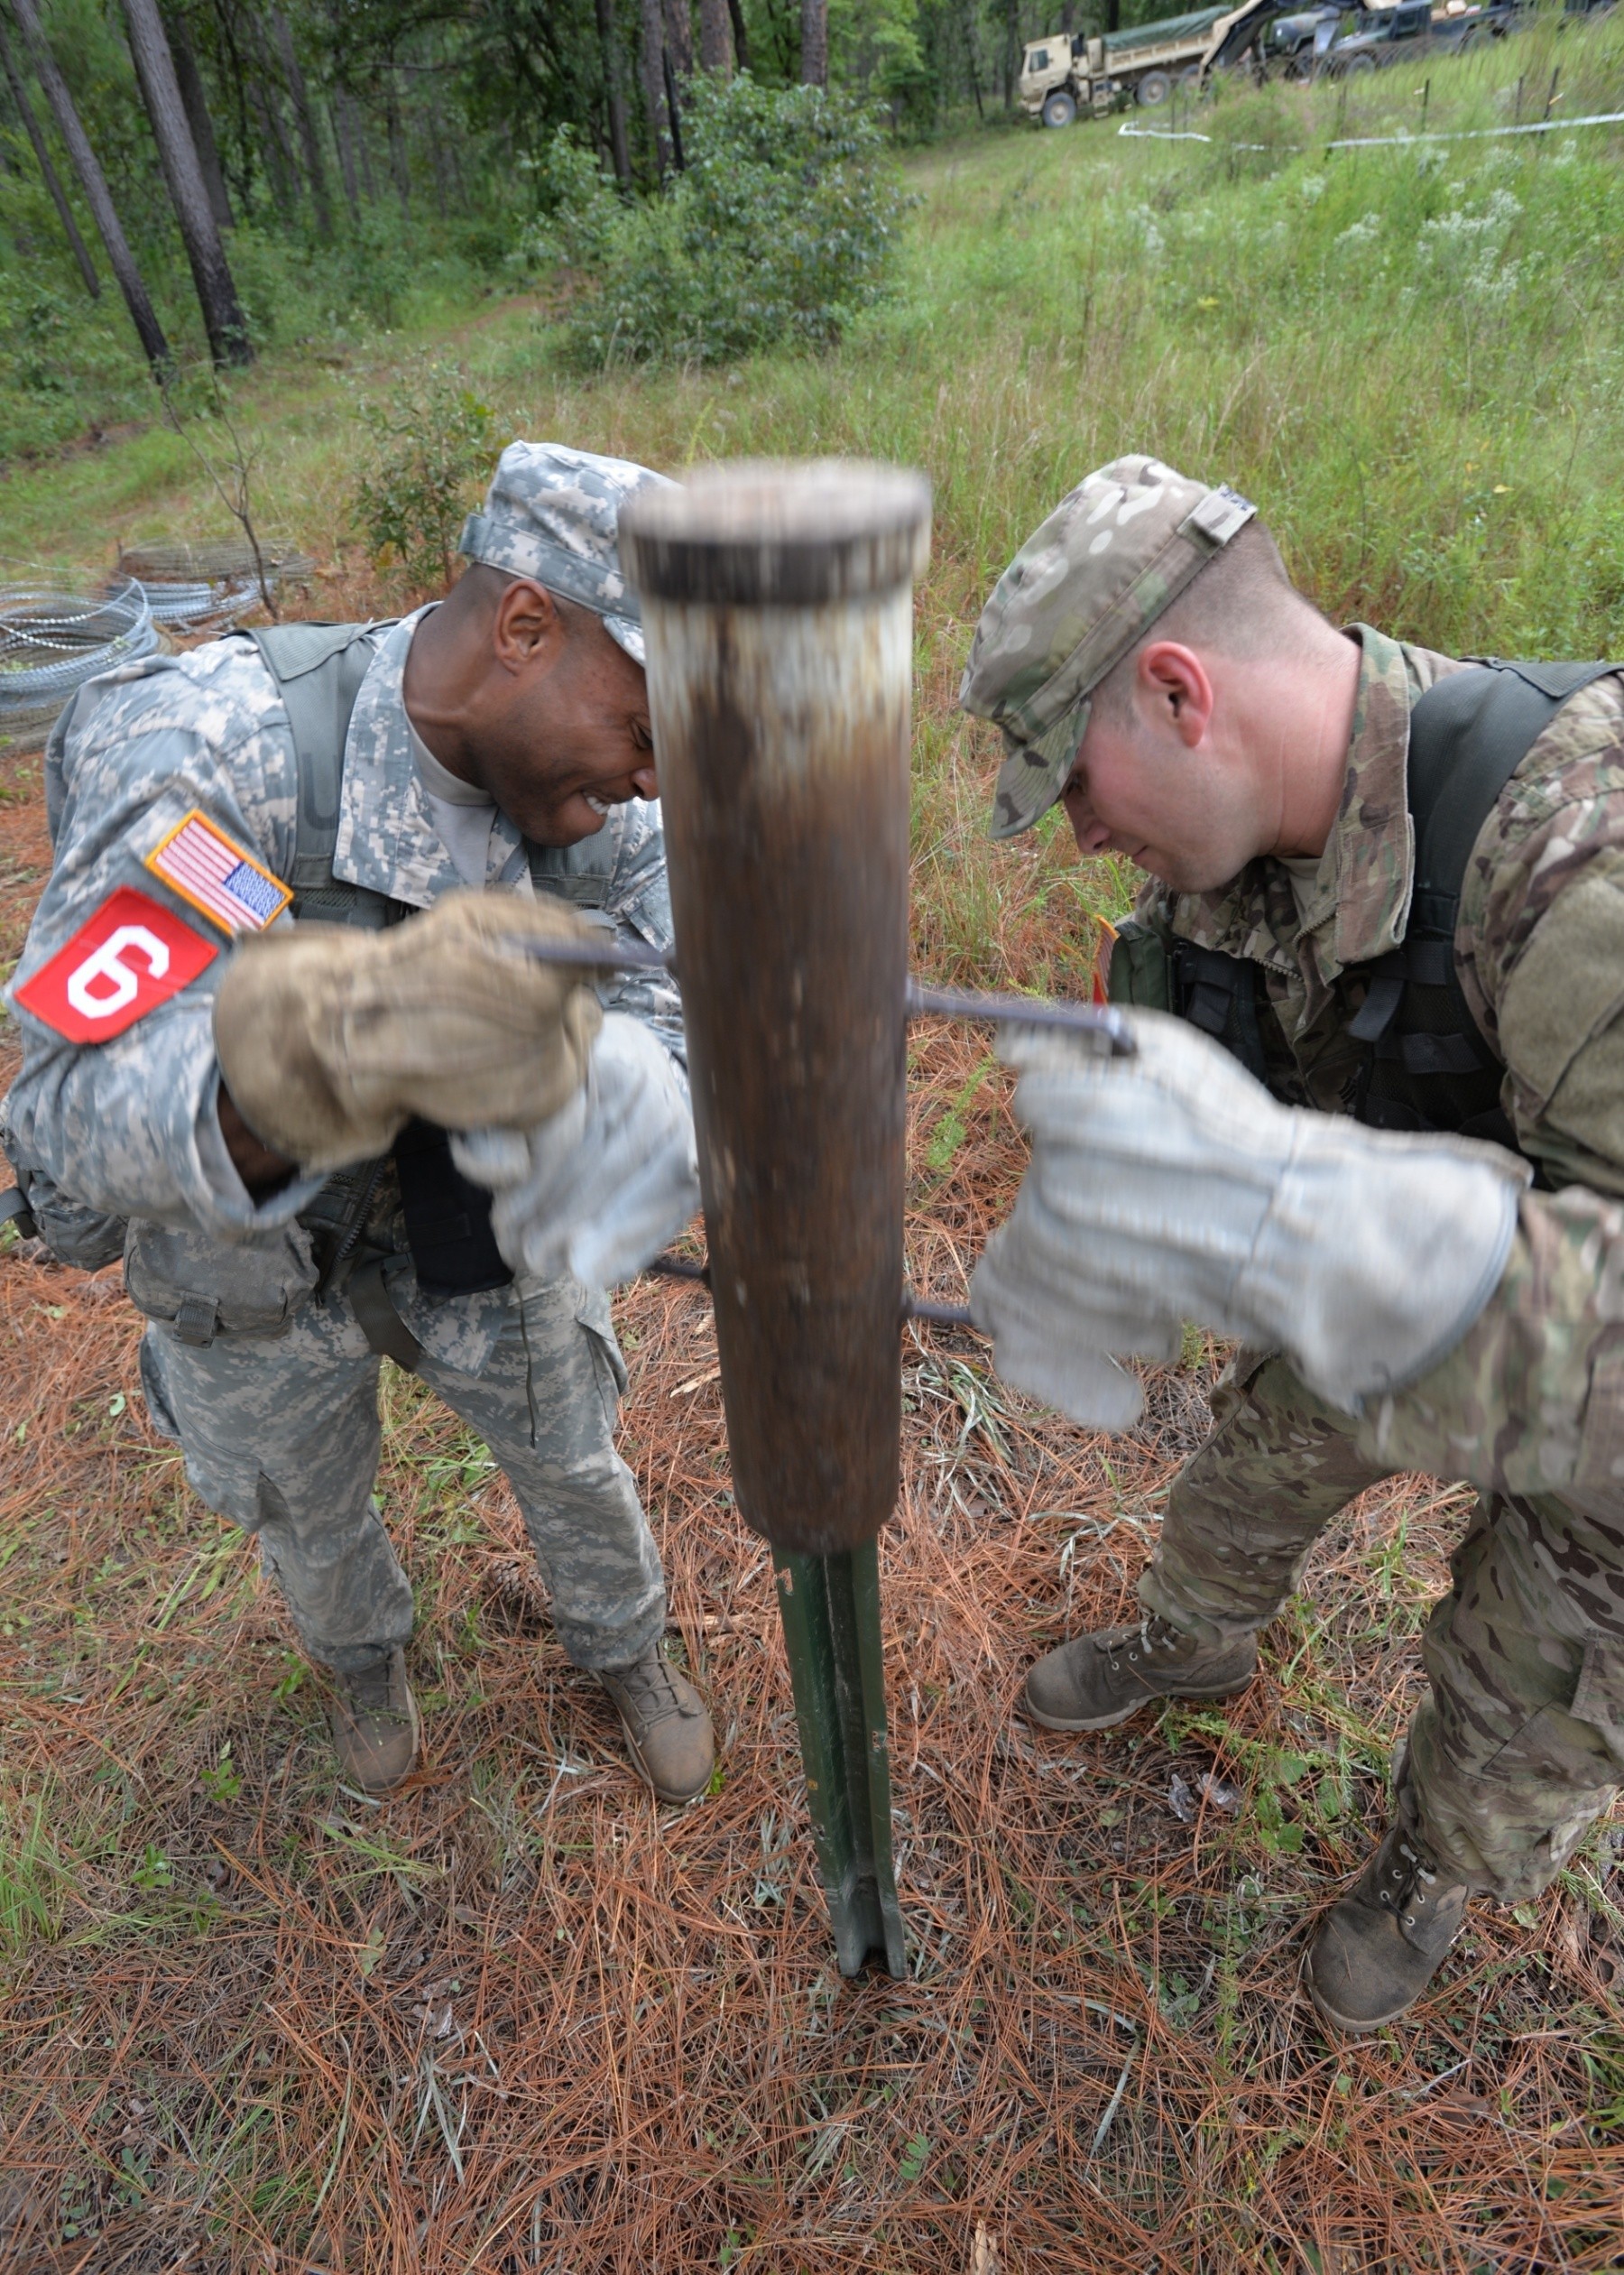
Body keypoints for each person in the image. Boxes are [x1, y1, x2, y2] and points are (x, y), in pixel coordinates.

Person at [959, 454, 1624, 2034]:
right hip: (1372, 1277)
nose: (1077, 839)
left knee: (1529, 1682)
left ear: (1182, 695)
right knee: (1246, 1464)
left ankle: (1432, 1871)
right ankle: (1191, 1646)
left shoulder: (1574, 860)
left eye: (1077, 786)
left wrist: (1342, 1239)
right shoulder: (1242, 859)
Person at [1, 442, 714, 1807]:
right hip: (251, 1271)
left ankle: (629, 1649)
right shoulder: (214, 751)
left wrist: (637, 1089)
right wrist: (341, 1054)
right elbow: (67, 1102)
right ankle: (364, 1667)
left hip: (482, 1225)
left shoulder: (598, 807)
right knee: (303, 1508)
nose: (655, 782)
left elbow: (667, 986)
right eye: (644, 733)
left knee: (572, 1458)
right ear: (524, 627)